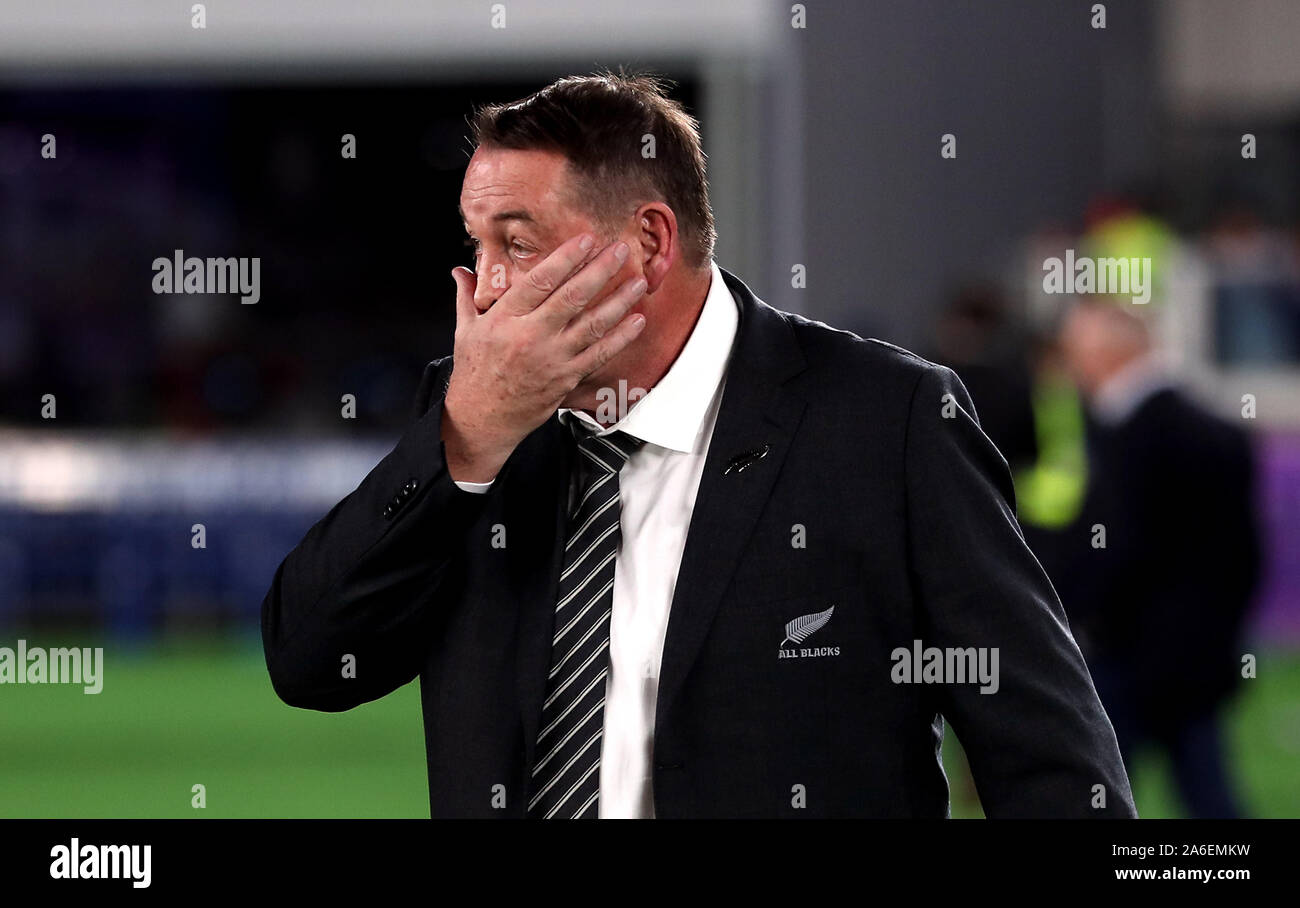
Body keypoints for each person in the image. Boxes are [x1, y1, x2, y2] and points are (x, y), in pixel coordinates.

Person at [261, 71, 1135, 818]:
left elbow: (1051, 763)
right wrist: (466, 440)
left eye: (516, 244)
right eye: (475, 246)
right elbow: (310, 661)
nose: (484, 287)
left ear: (647, 243)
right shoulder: (471, 419)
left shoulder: (886, 421)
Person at [1058, 297, 1260, 818]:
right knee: (1208, 794)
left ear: (1108, 354)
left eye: (1075, 350)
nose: (1070, 365)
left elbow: (1120, 550)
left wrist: (1068, 609)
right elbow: (1246, 556)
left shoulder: (1137, 435)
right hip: (1195, 656)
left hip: (1129, 654)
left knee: (1096, 796)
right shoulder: (1214, 428)